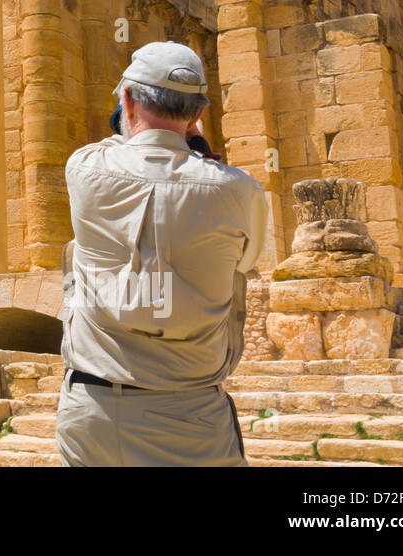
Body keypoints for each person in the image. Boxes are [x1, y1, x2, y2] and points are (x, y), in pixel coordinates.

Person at [57, 41, 267, 466]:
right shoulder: (238, 189)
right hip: (191, 414)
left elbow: (120, 141)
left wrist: (133, 117)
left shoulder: (84, 168)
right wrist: (197, 149)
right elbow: (246, 262)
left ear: (128, 101)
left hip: (93, 411)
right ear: (199, 114)